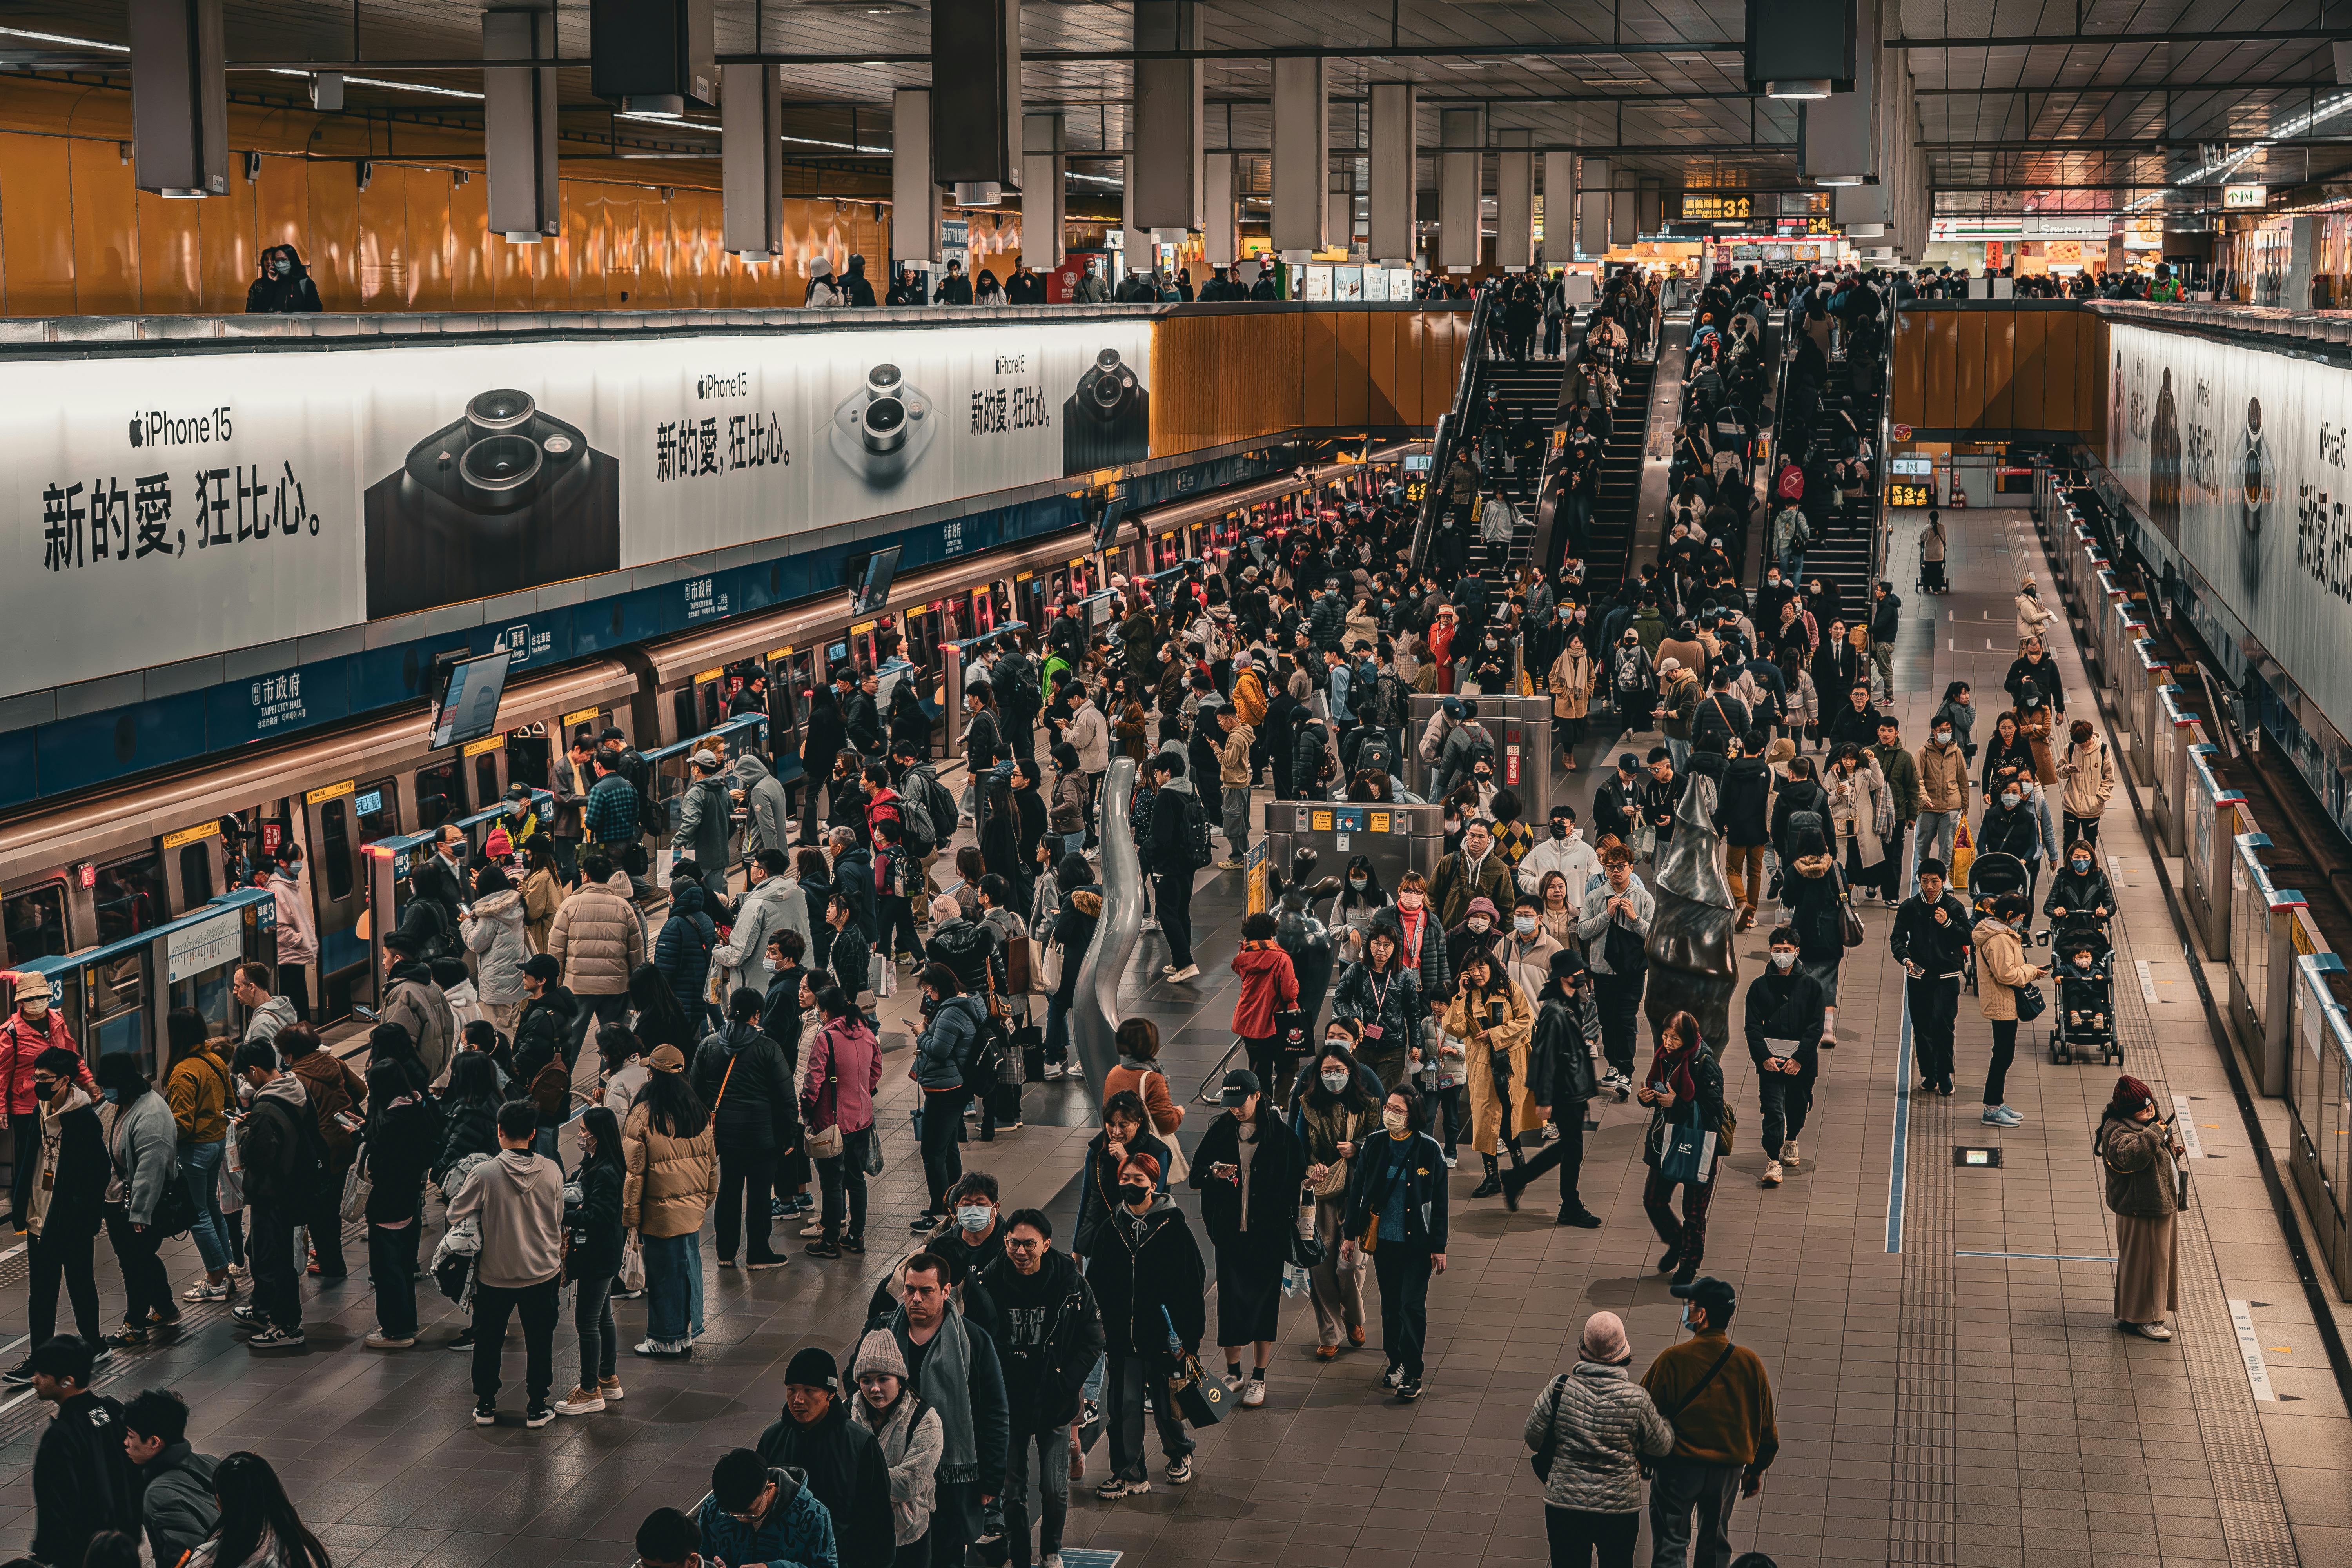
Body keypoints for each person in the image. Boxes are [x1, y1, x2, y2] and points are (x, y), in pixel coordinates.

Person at [976, 1210, 1104, 1568]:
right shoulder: (990, 1281)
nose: (1020, 1251)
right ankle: (1020, 1558)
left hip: (1054, 1401)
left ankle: (1051, 1551)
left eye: (1029, 1244)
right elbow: (977, 1338)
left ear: (1046, 1245)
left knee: (1053, 1487)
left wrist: (1065, 1381)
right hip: (1009, 1404)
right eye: (1014, 1242)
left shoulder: (1069, 1282)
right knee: (1013, 1493)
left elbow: (1094, 1340)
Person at [1641, 1276, 1779, 1568]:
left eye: (1689, 1305)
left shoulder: (1672, 1360)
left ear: (1701, 1315)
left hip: (1677, 1470)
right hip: (1726, 1473)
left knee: (1671, 1544)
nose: (1686, 1310)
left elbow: (1643, 1413)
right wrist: (1755, 1471)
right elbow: (1767, 1428)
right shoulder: (1750, 1363)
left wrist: (1643, 1458)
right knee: (1714, 1545)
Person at [881, 1254, 1009, 1568]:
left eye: (926, 1291)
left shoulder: (974, 1341)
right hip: (897, 1471)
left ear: (946, 1291)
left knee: (946, 1556)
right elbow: (856, 1380)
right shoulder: (883, 1334)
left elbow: (995, 1412)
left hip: (952, 1477)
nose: (916, 1298)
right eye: (910, 1289)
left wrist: (991, 1481)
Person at [1089, 1153, 1205, 1498]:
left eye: (1138, 1180)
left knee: (1167, 1404)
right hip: (1123, 1340)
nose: (1129, 1185)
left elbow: (1192, 1284)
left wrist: (1189, 1339)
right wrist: (1101, 1329)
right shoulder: (1110, 1228)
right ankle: (1129, 1473)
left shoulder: (1175, 1229)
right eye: (1125, 1178)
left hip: (1164, 1339)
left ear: (1153, 1185)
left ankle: (1179, 1450)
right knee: (1123, 1407)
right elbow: (1096, 1282)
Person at [1189, 1068, 1306, 1406]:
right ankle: (1233, 1372)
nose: (1236, 1109)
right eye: (1231, 1104)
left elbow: (1297, 1179)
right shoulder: (1220, 1133)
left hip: (1267, 1237)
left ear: (1258, 1096)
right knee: (1231, 1303)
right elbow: (1197, 1175)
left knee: (1264, 1305)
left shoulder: (1282, 1137)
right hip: (1229, 1235)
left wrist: (1310, 1182)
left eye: (1241, 1102)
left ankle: (1259, 1377)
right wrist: (1214, 1172)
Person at [1525, 1312, 1675, 1568]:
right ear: (1624, 1354)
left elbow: (1533, 1437)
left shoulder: (1559, 1388)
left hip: (1565, 1505)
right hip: (1618, 1509)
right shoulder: (1636, 1398)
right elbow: (1662, 1446)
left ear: (1583, 1348)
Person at [451, 1100, 566, 1427]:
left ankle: (486, 1405)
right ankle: (537, 1406)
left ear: (499, 1132)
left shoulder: (484, 1173)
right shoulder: (552, 1170)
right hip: (543, 1271)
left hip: (495, 1274)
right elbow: (558, 1217)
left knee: (488, 1340)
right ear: (533, 1134)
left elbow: (454, 1213)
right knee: (540, 1341)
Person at [1339, 1087, 1449, 1401]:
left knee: (1411, 1306)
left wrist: (1438, 1246)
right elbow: (1358, 1190)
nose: (1391, 1114)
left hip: (1417, 1244)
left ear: (1412, 1115)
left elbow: (1439, 1202)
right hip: (1384, 1241)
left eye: (1398, 1111)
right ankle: (1395, 1362)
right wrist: (1350, 1234)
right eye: (1388, 1107)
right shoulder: (1374, 1144)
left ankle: (1413, 1371)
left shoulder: (1429, 1150)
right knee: (1390, 1305)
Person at [755, 1345, 897, 1568]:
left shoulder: (860, 1445)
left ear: (830, 1394)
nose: (798, 1400)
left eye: (809, 1391)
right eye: (791, 1389)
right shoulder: (772, 1439)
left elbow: (878, 1519)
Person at [691, 987, 796, 1270]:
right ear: (757, 1015)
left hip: (725, 1135)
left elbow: (695, 1090)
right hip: (764, 1136)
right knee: (761, 1193)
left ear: (728, 1011)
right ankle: (759, 1253)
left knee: (729, 1188)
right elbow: (787, 1097)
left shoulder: (709, 1044)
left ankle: (725, 1252)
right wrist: (788, 1135)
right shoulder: (769, 1048)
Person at [624, 1045, 716, 1360]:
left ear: (652, 1073)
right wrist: (703, 1201)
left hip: (658, 1210)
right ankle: (687, 1332)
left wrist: (630, 1215)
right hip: (691, 1208)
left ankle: (665, 1338)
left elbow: (634, 1173)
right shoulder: (698, 1110)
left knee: (663, 1274)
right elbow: (712, 1164)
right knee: (687, 1270)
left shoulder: (643, 1113)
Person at [225, 1040, 318, 1348]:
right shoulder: (297, 1089)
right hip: (296, 1185)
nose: (245, 1083)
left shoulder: (264, 1109)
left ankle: (287, 1325)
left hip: (273, 1194)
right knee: (261, 1249)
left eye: (245, 1076)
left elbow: (259, 1156)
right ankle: (265, 1309)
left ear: (254, 1070)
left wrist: (242, 1130)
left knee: (274, 1259)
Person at [1503, 950, 1604, 1226]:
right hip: (1564, 1091)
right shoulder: (1554, 1011)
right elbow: (1544, 1056)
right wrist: (1544, 1098)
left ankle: (1518, 1179)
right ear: (1565, 977)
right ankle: (1568, 1204)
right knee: (1572, 1148)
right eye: (1578, 972)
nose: (1583, 976)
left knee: (1570, 1148)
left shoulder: (1570, 1004)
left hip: (1574, 1087)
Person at [93, 1053, 179, 1348]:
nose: (106, 1092)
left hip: (138, 1206)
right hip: (119, 1200)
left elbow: (151, 1170)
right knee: (140, 1259)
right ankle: (166, 1308)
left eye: (110, 1086)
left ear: (126, 1083)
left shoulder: (150, 1115)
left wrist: (140, 1214)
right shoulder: (116, 1105)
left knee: (133, 1264)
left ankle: (135, 1324)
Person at [27, 1334, 134, 1568]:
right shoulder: (111, 1411)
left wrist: (47, 1552)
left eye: (43, 1375)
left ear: (67, 1381)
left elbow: (55, 1501)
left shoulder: (59, 1438)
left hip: (80, 1553)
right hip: (121, 1542)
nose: (34, 1380)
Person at [1637, 1011, 1725, 1288]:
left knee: (1694, 1212)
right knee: (1653, 1199)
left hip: (1698, 1145)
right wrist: (1648, 1098)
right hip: (1665, 1140)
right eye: (1665, 1036)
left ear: (1687, 1038)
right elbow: (1658, 1093)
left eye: (1674, 1038)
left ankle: (1689, 1263)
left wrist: (1678, 1103)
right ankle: (1677, 1242)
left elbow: (1714, 1110)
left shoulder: (1705, 1065)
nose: (1667, 1042)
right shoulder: (1663, 1058)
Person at [2098, 1074, 2185, 1341]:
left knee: (2152, 1260)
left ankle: (2136, 1313)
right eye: (2143, 1109)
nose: (2150, 1111)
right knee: (2149, 1262)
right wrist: (2155, 1133)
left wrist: (2171, 1150)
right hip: (2142, 1207)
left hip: (2157, 1204)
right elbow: (2130, 1156)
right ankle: (2146, 1318)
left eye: (2151, 1106)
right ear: (2127, 1111)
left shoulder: (2143, 1123)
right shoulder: (2117, 1131)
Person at [1445, 949, 1538, 1199]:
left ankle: (1519, 1163)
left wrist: (1495, 1035)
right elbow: (1456, 1028)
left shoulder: (1510, 989)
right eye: (1471, 969)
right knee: (1486, 1118)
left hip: (1512, 1062)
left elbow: (1526, 1020)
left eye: (1481, 968)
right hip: (1482, 1064)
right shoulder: (1466, 996)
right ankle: (1492, 1176)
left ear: (1491, 966)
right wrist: (1461, 995)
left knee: (1510, 1112)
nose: (1477, 974)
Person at [851, 1330, 947, 1568]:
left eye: (883, 1379)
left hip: (907, 1536)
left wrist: (855, 1476)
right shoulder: (848, 1414)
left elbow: (909, 1484)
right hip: (859, 1533)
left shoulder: (925, 1421)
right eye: (866, 1381)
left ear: (899, 1378)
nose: (874, 1389)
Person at [4, 973, 93, 1229]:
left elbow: (71, 1055)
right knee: (30, 1156)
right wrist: (1, 1108)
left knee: (56, 1150)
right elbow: (3, 1073)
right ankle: (28, 1207)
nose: (37, 1002)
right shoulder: (10, 1032)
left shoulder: (57, 1019)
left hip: (58, 1100)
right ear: (22, 1001)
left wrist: (88, 1082)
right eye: (31, 998)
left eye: (40, 997)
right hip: (26, 1106)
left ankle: (52, 1195)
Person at [803, 984, 883, 1258]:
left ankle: (830, 1241)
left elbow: (813, 1082)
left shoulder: (826, 1038)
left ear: (824, 1012)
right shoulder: (867, 1032)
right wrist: (860, 1090)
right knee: (856, 1179)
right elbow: (876, 1071)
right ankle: (856, 1236)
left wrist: (806, 1112)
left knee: (832, 1183)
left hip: (832, 1122)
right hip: (862, 1120)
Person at [1743, 927, 1825, 1189]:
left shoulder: (1811, 986)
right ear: (1770, 951)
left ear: (1797, 952)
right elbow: (1752, 1027)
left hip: (1802, 1063)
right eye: (1777, 951)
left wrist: (1800, 1059)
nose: (1782, 956)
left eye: (1787, 951)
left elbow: (1816, 1027)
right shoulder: (1758, 987)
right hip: (1771, 1063)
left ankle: (1792, 1139)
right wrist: (1763, 1058)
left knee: (1798, 1107)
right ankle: (1773, 1159)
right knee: (1773, 1110)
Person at [549, 852, 646, 1066]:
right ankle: (608, 1087)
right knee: (614, 1040)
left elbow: (556, 949)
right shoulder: (624, 907)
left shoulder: (570, 905)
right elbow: (636, 952)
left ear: (585, 876)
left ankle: (563, 1086)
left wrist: (556, 984)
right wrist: (636, 988)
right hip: (616, 987)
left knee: (572, 1039)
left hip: (578, 987)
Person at [1891, 860, 1972, 1097]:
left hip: (1946, 977)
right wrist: (1905, 959)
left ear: (1943, 881)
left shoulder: (1953, 907)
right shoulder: (1909, 907)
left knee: (1943, 1024)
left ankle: (1945, 1075)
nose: (1929, 886)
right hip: (1918, 977)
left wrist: (1947, 923)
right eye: (1925, 881)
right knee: (1922, 1026)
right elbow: (1897, 938)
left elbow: (1968, 936)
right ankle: (1929, 1074)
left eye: (1935, 881)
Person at [1578, 847, 1653, 1096]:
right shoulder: (1595, 897)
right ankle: (1612, 1064)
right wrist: (1606, 914)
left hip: (1632, 971)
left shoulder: (1644, 898)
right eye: (1610, 867)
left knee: (1626, 1020)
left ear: (1631, 868)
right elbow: (1583, 931)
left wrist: (1634, 918)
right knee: (1607, 1020)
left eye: (1621, 866)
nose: (1615, 872)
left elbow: (1654, 937)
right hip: (1603, 969)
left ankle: (1627, 1071)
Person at [694, 1447, 841, 1568]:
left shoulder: (814, 1515)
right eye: (730, 1513)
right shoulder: (712, 1508)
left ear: (769, 1489)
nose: (740, 1519)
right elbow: (700, 1556)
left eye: (749, 1512)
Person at [1971, 892, 2046, 1129]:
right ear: (2009, 915)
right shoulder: (1999, 939)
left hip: (2005, 1002)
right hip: (2001, 1002)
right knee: (2003, 1055)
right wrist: (2032, 972)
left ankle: (1997, 1103)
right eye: (2021, 916)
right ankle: (1992, 1109)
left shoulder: (1999, 932)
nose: (2022, 921)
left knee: (2004, 1054)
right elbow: (2006, 974)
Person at [122, 1388, 220, 1567]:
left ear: (154, 1442)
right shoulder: (212, 1463)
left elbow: (187, 1557)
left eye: (130, 1436)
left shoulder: (159, 1494)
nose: (126, 1443)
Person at [1230, 912, 1301, 1109]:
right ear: (1272, 934)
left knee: (1259, 1067)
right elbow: (1289, 992)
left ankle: (1263, 1106)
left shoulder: (1243, 957)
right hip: (1276, 1021)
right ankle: (1278, 1105)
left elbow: (1240, 970)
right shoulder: (1280, 959)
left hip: (1249, 1020)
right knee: (1288, 1063)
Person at [1148, 753, 1205, 981]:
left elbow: (1160, 836)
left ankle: (1186, 963)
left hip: (1169, 864)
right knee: (1181, 911)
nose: (1156, 777)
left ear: (1167, 772)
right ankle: (1179, 959)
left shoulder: (1166, 796)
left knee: (1167, 912)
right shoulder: (1191, 790)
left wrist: (1147, 851)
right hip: (1189, 862)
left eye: (1157, 772)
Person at [2058, 717, 2114, 848]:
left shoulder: (2103, 750)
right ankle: (2069, 867)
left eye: (2084, 742)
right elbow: (2059, 772)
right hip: (2071, 806)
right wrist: (2067, 769)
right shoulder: (2070, 748)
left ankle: (2090, 867)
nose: (2082, 746)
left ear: (2091, 736)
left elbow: (2110, 778)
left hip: (2092, 809)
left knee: (2090, 842)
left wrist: (2099, 799)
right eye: (2078, 743)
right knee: (2068, 842)